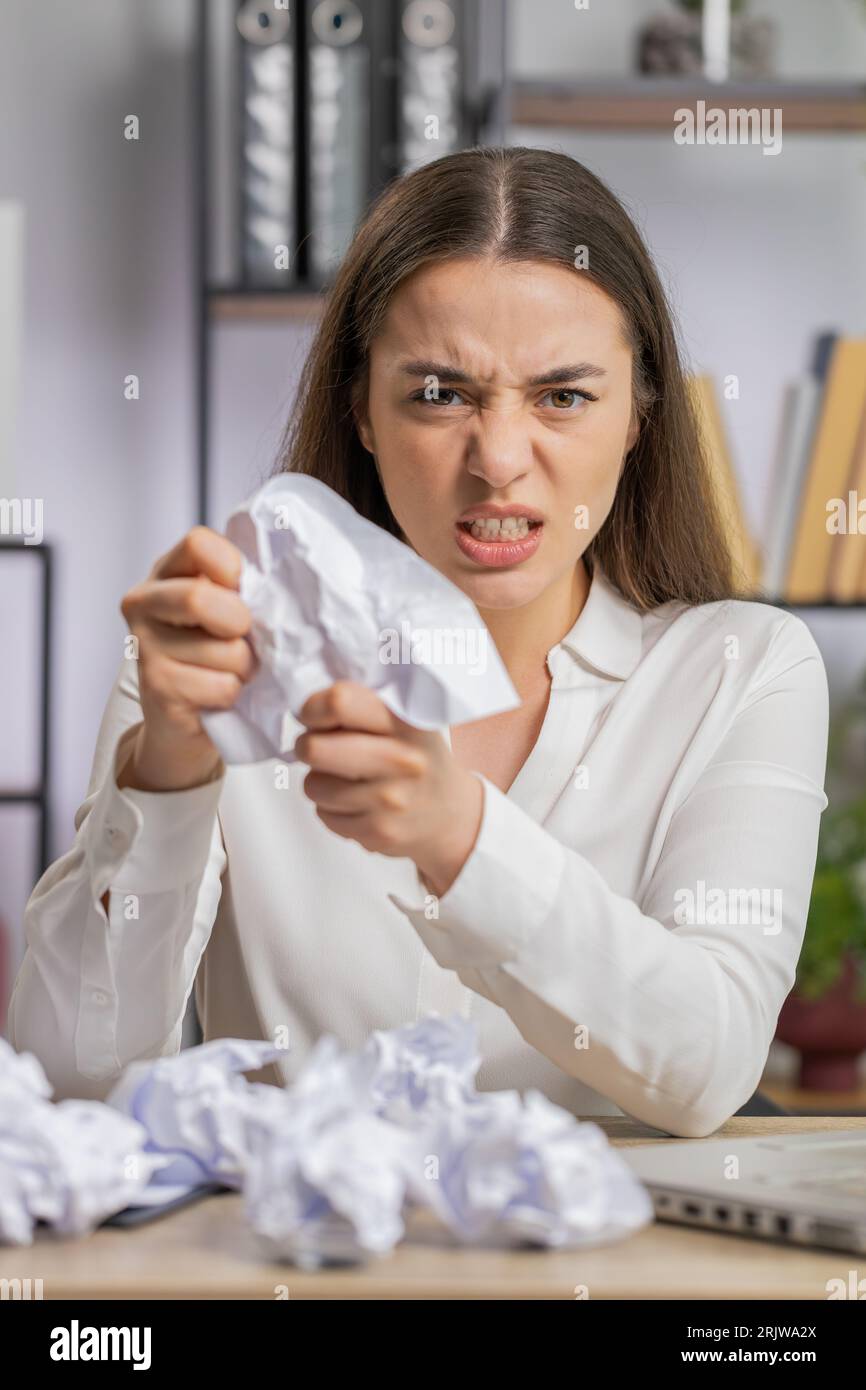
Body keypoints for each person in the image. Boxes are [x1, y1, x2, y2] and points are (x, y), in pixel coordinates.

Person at [9, 147, 828, 1136]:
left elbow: (706, 1065)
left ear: (638, 418)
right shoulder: (212, 663)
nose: (497, 461)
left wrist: (459, 838)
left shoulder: (738, 667)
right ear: (359, 407)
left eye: (561, 395)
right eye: (440, 393)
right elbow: (66, 1084)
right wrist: (168, 775)